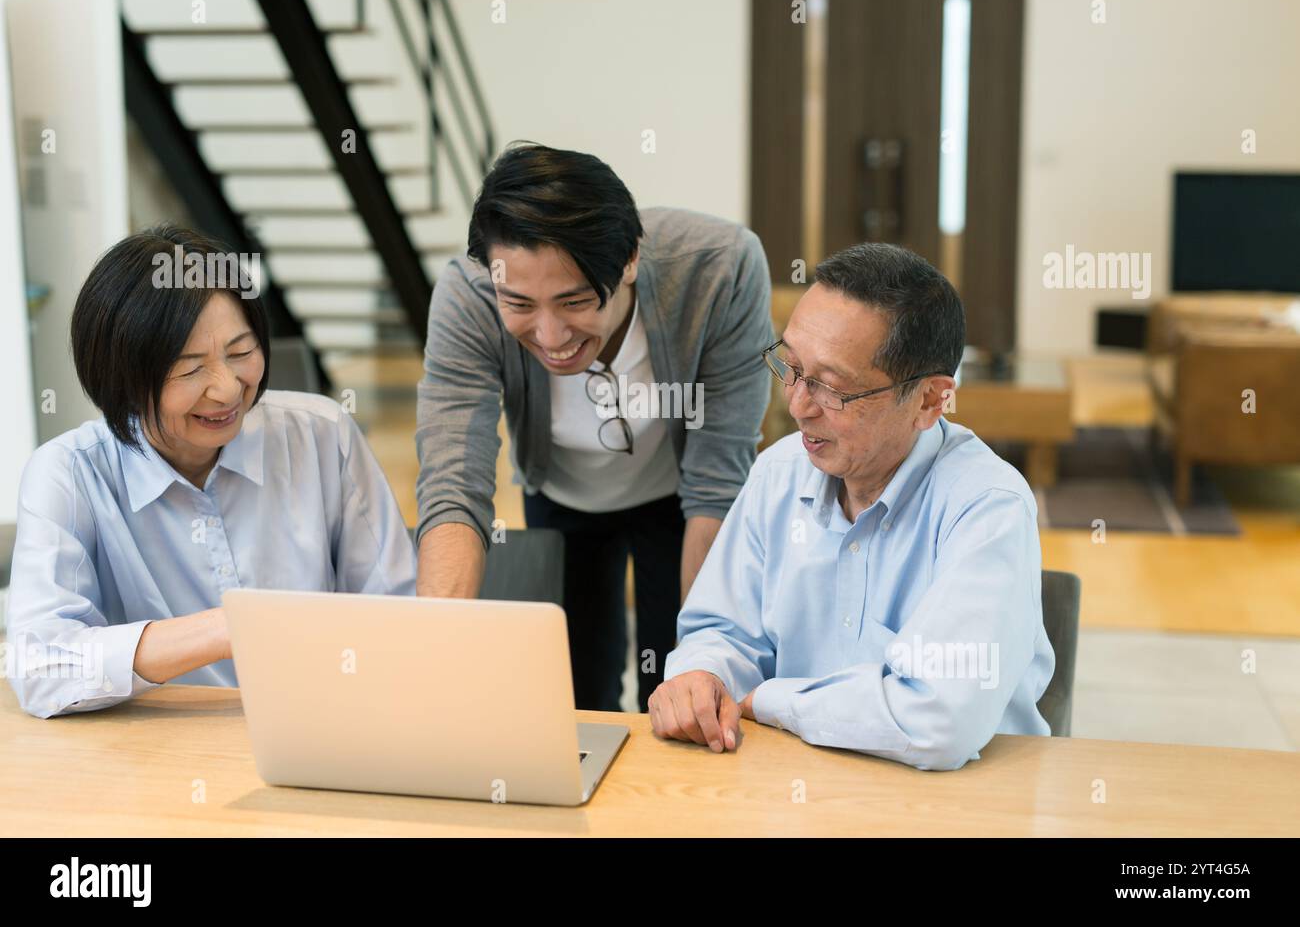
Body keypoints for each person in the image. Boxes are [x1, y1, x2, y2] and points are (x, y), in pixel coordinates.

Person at [650, 242, 1055, 769]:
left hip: (955, 804)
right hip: (796, 785)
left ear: (931, 400)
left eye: (831, 388)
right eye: (790, 367)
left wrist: (772, 700)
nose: (797, 406)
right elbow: (722, 630)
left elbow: (939, 719)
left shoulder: (986, 507)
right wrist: (701, 676)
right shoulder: (779, 472)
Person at [415, 143, 772, 711]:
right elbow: (453, 483)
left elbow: (718, 483)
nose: (551, 337)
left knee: (677, 681)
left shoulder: (719, 268)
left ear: (629, 260)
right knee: (575, 694)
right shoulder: (469, 295)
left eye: (575, 301)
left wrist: (702, 668)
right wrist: (432, 639)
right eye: (520, 305)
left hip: (681, 501)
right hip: (562, 492)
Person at [7, 226, 417, 719]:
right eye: (190, 367)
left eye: (241, 353)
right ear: (124, 379)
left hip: (324, 728)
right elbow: (40, 667)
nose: (227, 389)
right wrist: (227, 630)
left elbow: (402, 618)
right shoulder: (70, 475)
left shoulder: (320, 435)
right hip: (152, 763)